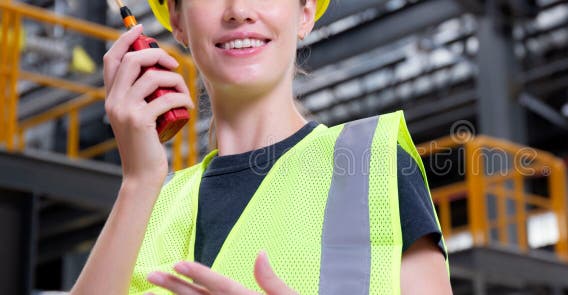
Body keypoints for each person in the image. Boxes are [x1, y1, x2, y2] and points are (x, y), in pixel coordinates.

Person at [70, 0, 452, 294]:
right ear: (177, 19)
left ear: (304, 13)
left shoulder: (372, 170)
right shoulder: (151, 207)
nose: (238, 10)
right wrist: (139, 181)